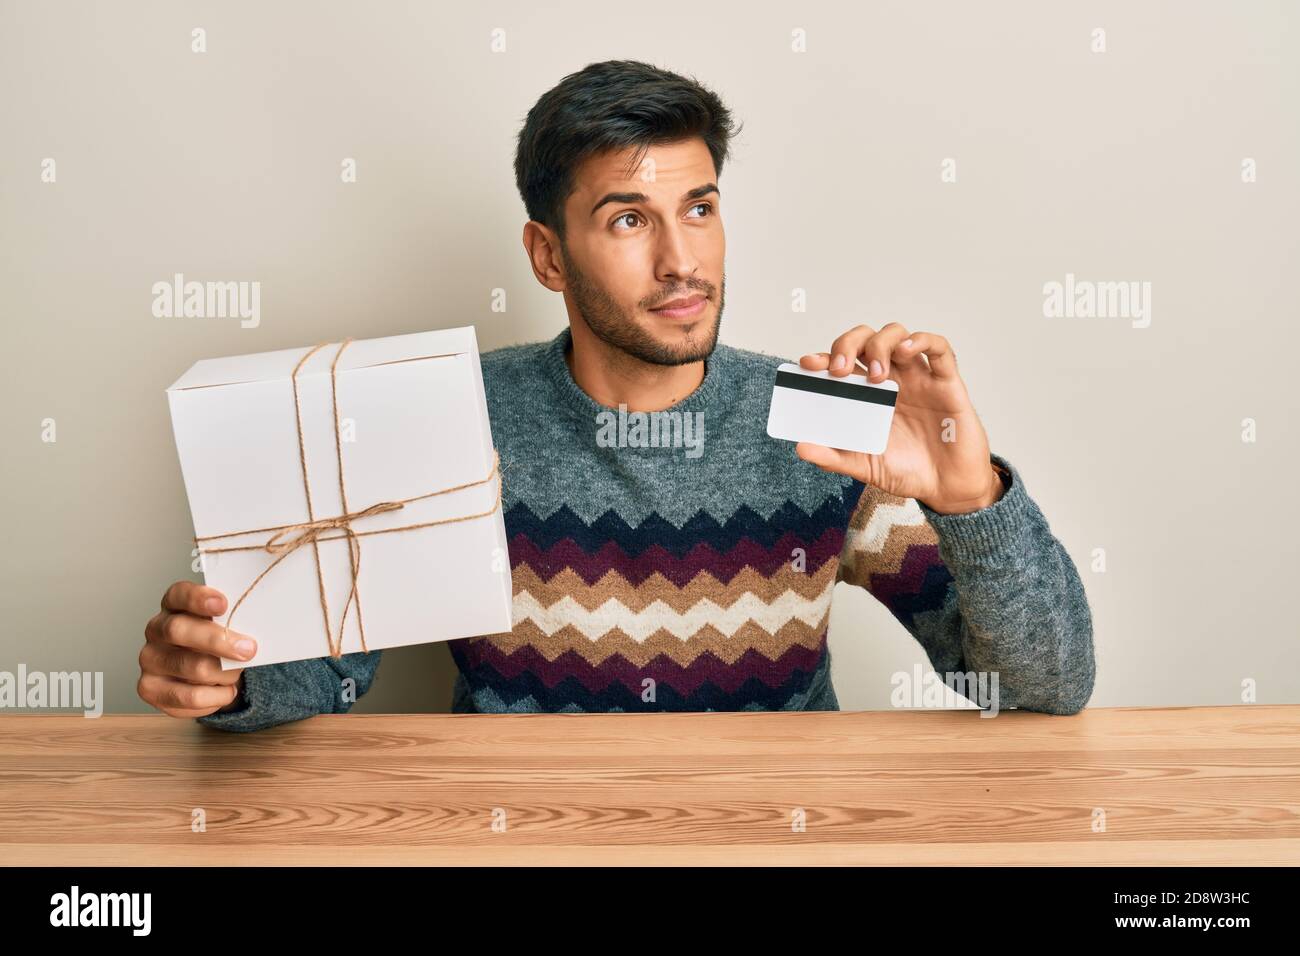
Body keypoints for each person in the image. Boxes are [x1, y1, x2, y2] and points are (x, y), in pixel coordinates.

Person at [138, 60, 1094, 729]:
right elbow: (323, 673)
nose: (682, 261)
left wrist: (974, 503)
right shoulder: (449, 418)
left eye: (700, 209)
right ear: (548, 256)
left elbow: (1044, 686)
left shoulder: (822, 419)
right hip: (514, 845)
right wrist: (228, 679)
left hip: (773, 842)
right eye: (629, 219)